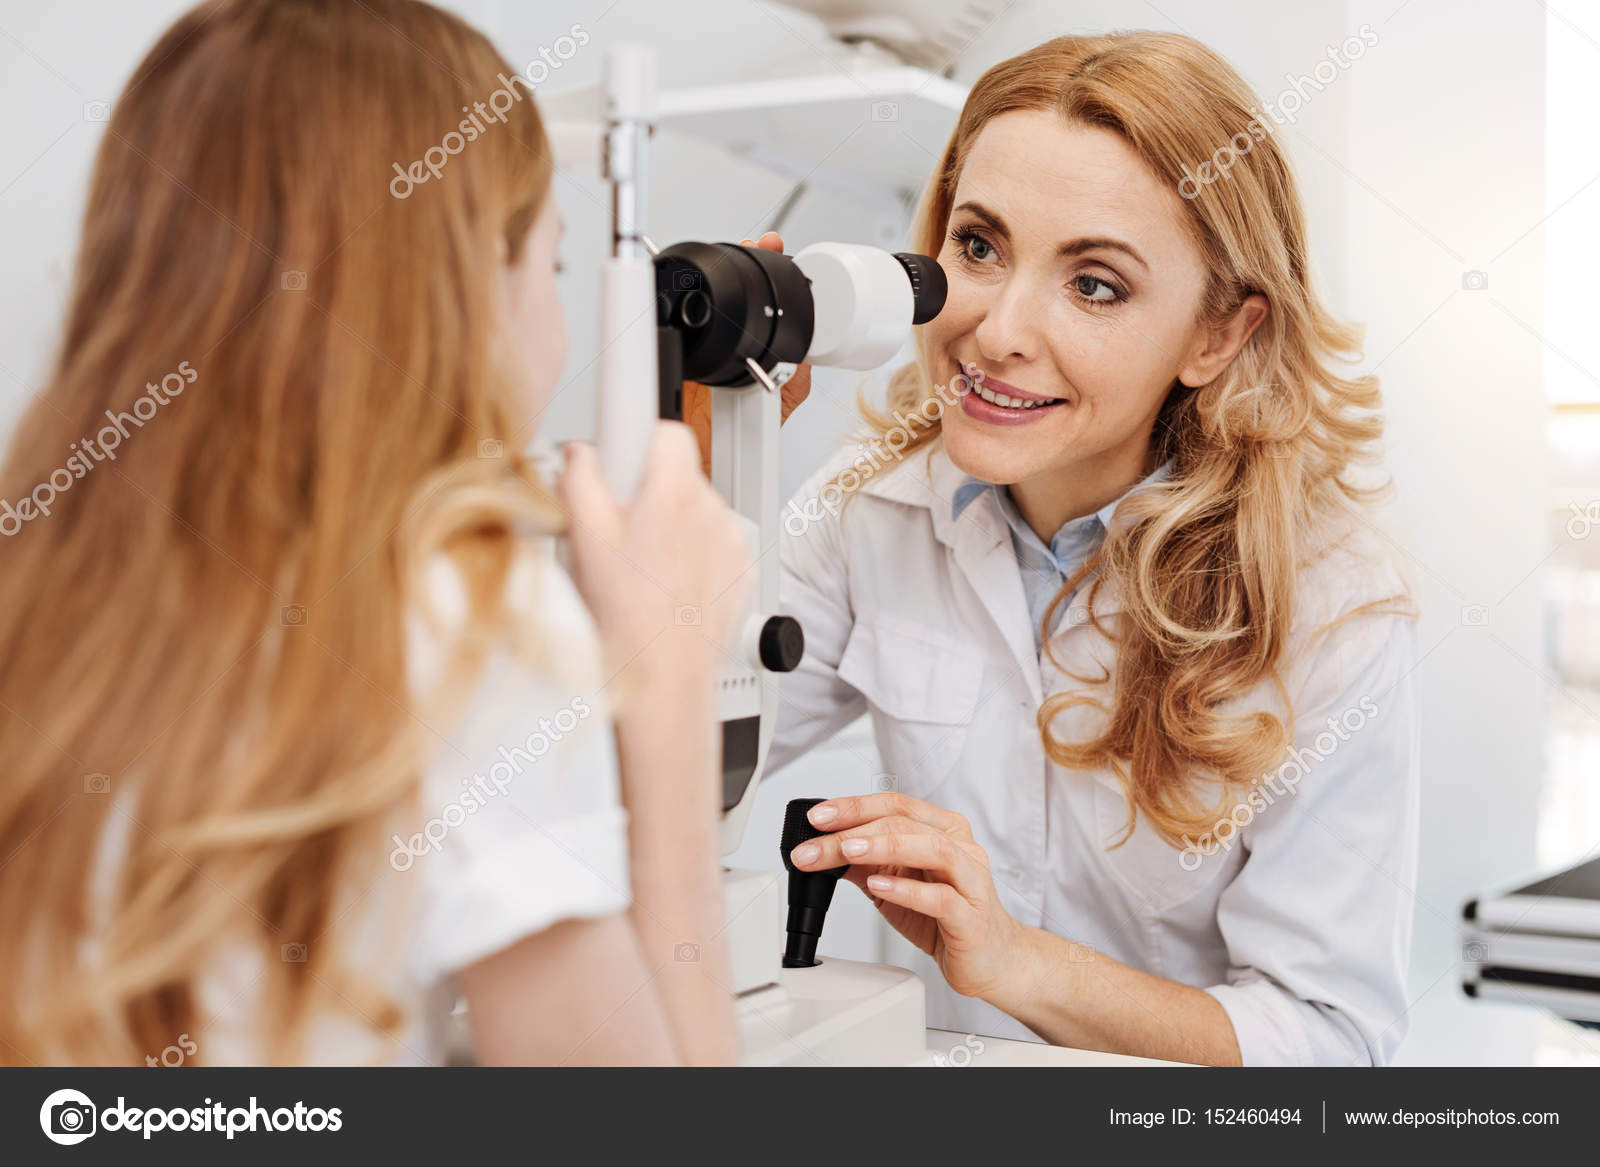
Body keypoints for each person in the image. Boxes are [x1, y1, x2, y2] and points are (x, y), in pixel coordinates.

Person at [0, 0, 747, 1066]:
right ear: (467, 284)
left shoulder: (38, 576)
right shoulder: (463, 609)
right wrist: (664, 686)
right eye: (555, 266)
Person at [709, 31, 1421, 1066]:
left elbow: (1327, 1040)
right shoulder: (869, 507)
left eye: (1093, 284)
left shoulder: (1333, 604)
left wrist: (1014, 960)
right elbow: (658, 774)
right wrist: (710, 476)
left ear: (1215, 335)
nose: (996, 331)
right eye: (979, 247)